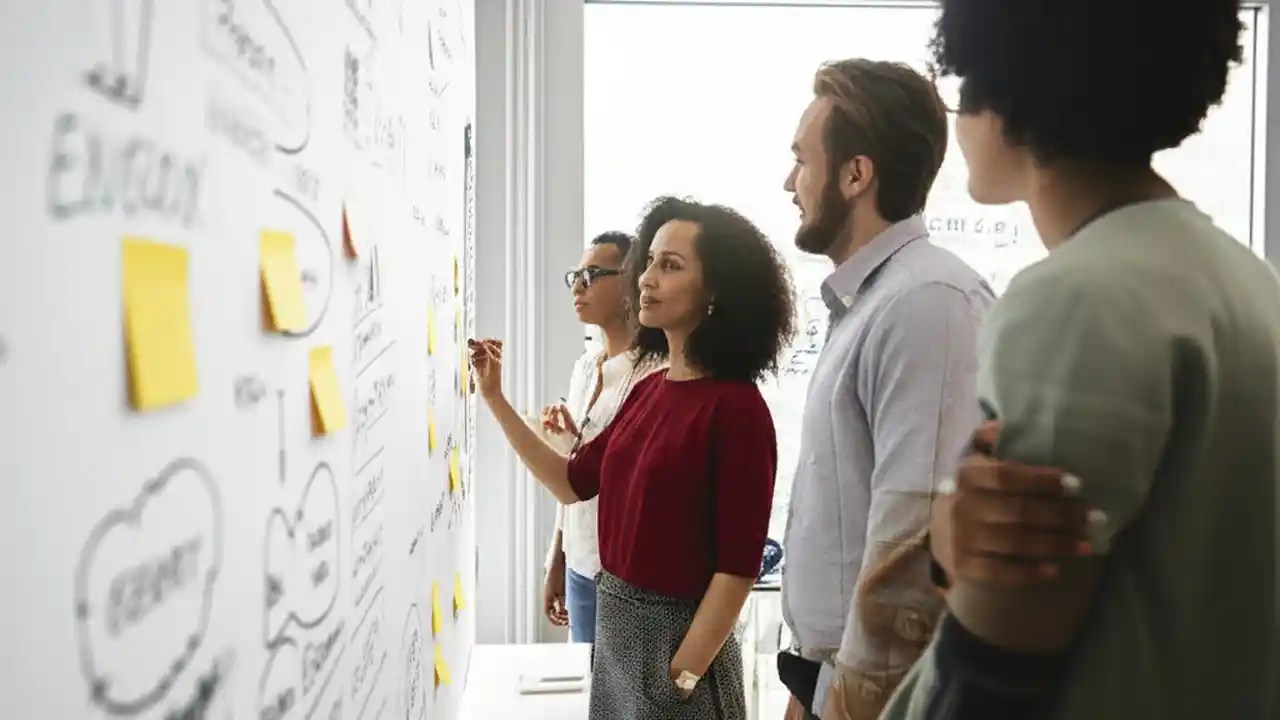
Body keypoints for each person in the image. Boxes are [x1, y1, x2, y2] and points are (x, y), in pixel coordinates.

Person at [881, 1, 1280, 717]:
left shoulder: (1075, 299)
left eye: (961, 84)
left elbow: (1006, 646)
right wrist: (950, 541)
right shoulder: (1247, 281)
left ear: (1003, 91)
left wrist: (954, 549)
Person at [470, 196, 796, 718]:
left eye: (670, 266)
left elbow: (735, 572)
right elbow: (570, 481)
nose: (646, 279)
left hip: (677, 651)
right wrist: (494, 399)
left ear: (715, 292)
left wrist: (680, 680)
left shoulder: (737, 409)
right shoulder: (649, 390)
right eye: (649, 261)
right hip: (616, 637)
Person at [777, 59, 994, 720]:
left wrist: (846, 703)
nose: (790, 182)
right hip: (831, 680)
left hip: (878, 698)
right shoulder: (876, 301)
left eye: (801, 161)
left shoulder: (925, 302)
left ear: (855, 174)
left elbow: (914, 556)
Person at [539, 231, 664, 643]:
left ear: (631, 283)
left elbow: (643, 481)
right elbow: (570, 476)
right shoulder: (585, 366)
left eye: (593, 274)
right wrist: (556, 559)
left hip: (625, 576)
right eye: (576, 274)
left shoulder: (656, 373)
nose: (579, 285)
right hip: (580, 562)